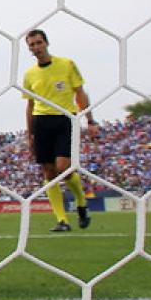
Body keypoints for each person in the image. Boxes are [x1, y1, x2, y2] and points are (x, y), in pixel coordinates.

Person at [21, 29, 93, 233]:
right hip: (41, 122)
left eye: (39, 42)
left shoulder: (67, 64)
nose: (36, 47)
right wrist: (30, 134)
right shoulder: (29, 74)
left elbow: (80, 93)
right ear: (29, 49)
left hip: (65, 119)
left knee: (64, 168)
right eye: (32, 45)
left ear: (46, 43)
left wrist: (90, 119)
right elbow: (30, 105)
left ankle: (81, 202)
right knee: (49, 172)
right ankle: (62, 220)